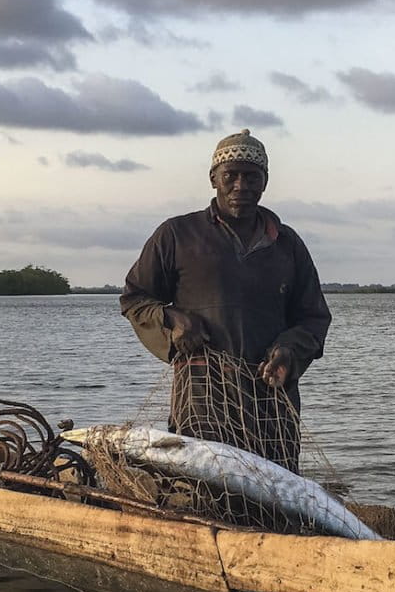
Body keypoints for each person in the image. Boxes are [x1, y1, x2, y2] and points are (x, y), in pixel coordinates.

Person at [120, 129, 331, 470]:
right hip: (203, 396)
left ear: (265, 182)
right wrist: (172, 319)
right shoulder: (177, 234)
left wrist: (289, 352)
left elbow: (313, 318)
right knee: (204, 481)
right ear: (213, 179)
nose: (240, 186)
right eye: (230, 175)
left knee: (273, 484)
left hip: (271, 398)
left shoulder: (287, 244)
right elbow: (135, 299)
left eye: (252, 177)